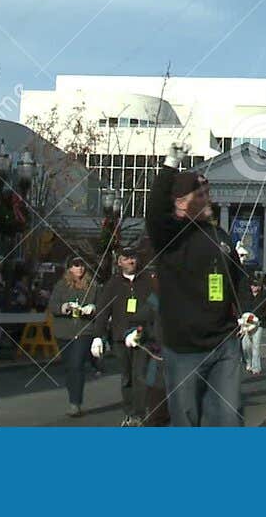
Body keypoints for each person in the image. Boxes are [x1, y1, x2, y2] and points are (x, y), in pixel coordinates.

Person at [145, 168, 248, 426]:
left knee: (228, 416)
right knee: (186, 418)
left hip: (224, 343)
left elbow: (239, 279)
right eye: (199, 195)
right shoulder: (169, 237)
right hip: (183, 349)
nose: (207, 199)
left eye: (207, 193)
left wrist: (248, 310)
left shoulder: (219, 236)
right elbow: (155, 211)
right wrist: (169, 166)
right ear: (181, 203)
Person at [87, 247, 158, 426]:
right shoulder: (113, 284)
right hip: (120, 338)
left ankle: (139, 414)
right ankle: (128, 411)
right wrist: (98, 336)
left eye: (133, 258)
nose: (130, 262)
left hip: (143, 337)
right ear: (119, 262)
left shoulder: (148, 281)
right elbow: (103, 311)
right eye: (126, 259)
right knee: (126, 377)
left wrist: (146, 329)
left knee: (140, 376)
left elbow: (156, 306)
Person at [47, 256, 99, 418]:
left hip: (84, 331)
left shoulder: (93, 286)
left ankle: (75, 404)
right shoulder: (61, 285)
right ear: (69, 268)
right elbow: (52, 305)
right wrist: (64, 307)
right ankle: (73, 397)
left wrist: (93, 308)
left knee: (77, 365)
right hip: (63, 331)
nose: (80, 269)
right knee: (69, 366)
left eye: (82, 266)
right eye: (76, 266)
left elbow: (102, 305)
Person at [240, 278, 266, 376]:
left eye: (256, 285)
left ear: (259, 287)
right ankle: (248, 362)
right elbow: (242, 308)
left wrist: (260, 318)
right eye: (252, 285)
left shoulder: (263, 297)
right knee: (246, 345)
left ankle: (256, 367)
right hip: (247, 324)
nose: (253, 287)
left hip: (258, 324)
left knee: (256, 346)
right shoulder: (246, 296)